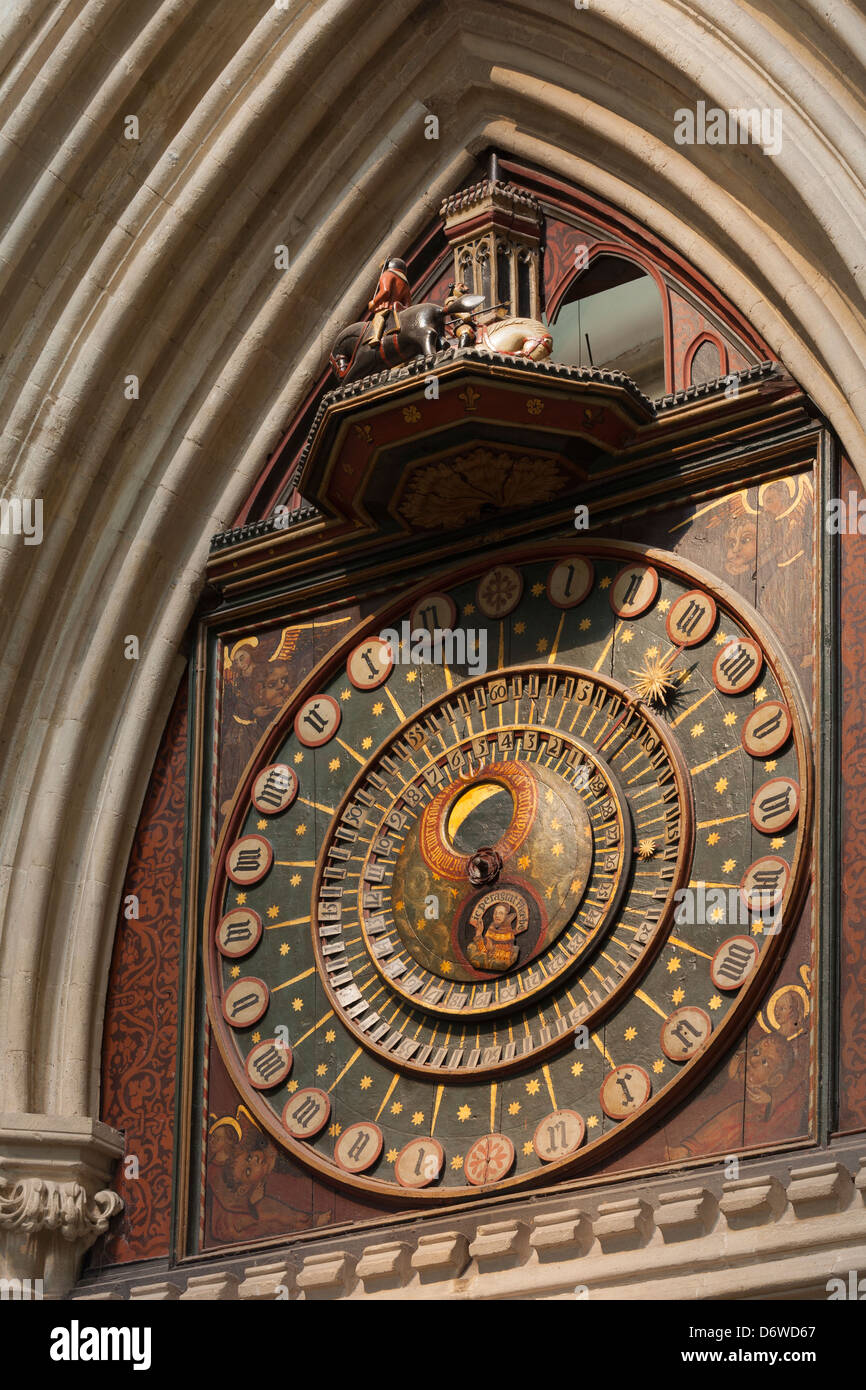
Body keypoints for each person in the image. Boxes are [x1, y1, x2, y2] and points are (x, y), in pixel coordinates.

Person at [366, 256, 412, 347]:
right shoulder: (405, 283)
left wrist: (374, 302)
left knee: (379, 317)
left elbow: (385, 291)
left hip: (387, 307)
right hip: (398, 311)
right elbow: (408, 303)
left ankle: (376, 337)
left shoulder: (388, 274)